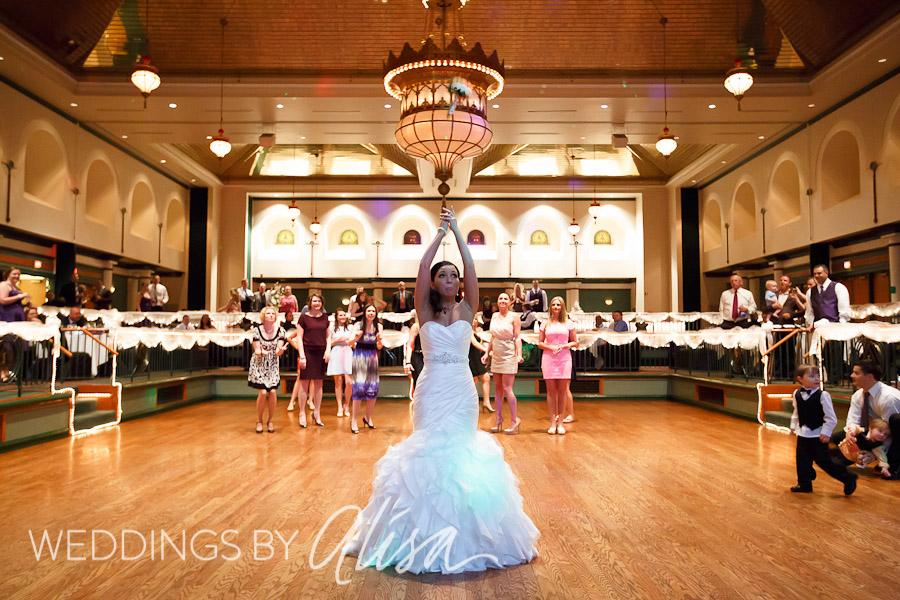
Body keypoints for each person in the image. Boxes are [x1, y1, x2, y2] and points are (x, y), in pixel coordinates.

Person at [343, 206, 539, 573]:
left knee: (460, 451)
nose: (450, 279)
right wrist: (438, 235)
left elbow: (473, 270)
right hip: (432, 386)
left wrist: (459, 233)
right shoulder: (425, 312)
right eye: (443, 276)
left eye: (454, 275)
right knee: (428, 451)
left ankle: (466, 533)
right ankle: (418, 534)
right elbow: (420, 269)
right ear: (434, 284)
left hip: (462, 390)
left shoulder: (468, 310)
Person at [789, 364, 857, 495]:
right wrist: (793, 426)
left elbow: (831, 418)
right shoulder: (796, 394)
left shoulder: (823, 395)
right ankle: (804, 483)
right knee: (802, 460)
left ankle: (847, 477)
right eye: (811, 376)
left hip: (817, 435)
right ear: (800, 379)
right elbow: (796, 412)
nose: (816, 378)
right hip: (803, 434)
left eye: (818, 375)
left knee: (825, 461)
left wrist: (826, 432)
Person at [830, 361, 900, 479]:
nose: (851, 376)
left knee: (894, 422)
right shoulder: (858, 395)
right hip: (874, 432)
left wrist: (879, 456)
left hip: (890, 434)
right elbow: (853, 421)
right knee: (837, 438)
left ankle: (895, 464)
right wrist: (850, 436)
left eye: (856, 373)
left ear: (869, 377)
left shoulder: (888, 398)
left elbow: (889, 432)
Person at [287, 294, 330, 427]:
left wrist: (328, 350)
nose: (316, 303)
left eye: (318, 301)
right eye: (314, 301)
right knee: (304, 383)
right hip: (307, 351)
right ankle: (301, 413)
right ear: (310, 303)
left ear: (322, 303)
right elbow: (299, 337)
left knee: (318, 383)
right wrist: (302, 355)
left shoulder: (325, 317)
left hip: (320, 352)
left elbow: (328, 336)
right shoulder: (304, 317)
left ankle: (316, 413)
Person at [484, 291, 523, 434]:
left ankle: (514, 420)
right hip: (497, 354)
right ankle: (498, 419)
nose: (503, 301)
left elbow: (518, 337)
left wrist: (519, 354)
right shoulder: (494, 316)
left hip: (508, 353)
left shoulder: (514, 317)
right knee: (498, 389)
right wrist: (487, 353)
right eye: (500, 298)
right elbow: (492, 337)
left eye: (505, 299)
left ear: (509, 302)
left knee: (507, 389)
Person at [538, 297, 578, 435]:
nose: (556, 307)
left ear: (562, 307)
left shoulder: (568, 323)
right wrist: (550, 347)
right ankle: (552, 422)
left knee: (562, 391)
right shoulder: (545, 323)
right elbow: (540, 343)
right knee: (550, 392)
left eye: (558, 305)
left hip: (564, 358)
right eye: (553, 304)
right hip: (549, 358)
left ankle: (561, 423)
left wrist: (565, 345)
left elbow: (575, 342)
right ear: (550, 307)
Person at [248, 306, 287, 433]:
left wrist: (280, 351)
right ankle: (259, 420)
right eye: (268, 313)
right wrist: (261, 352)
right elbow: (257, 350)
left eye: (272, 313)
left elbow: (278, 351)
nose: (270, 315)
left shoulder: (280, 331)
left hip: (272, 365)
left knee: (273, 392)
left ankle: (270, 420)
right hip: (259, 364)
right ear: (263, 316)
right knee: (263, 393)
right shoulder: (256, 330)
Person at [350, 304, 383, 433]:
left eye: (373, 311)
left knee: (372, 388)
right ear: (364, 312)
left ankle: (368, 417)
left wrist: (380, 341)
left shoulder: (378, 326)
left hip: (373, 358)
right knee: (358, 388)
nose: (371, 313)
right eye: (369, 311)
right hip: (359, 357)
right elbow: (349, 343)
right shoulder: (357, 325)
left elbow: (380, 346)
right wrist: (356, 338)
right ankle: (353, 420)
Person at [1, 268, 29, 382]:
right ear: (8, 274)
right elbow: (2, 300)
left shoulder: (17, 288)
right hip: (7, 319)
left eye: (18, 274)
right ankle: (3, 373)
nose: (17, 276)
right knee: (7, 347)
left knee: (16, 348)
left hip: (17, 320)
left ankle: (10, 372)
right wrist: (19, 297)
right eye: (14, 273)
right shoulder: (4, 285)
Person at [326, 308, 354, 417]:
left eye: (344, 315)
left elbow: (354, 341)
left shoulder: (351, 327)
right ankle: (339, 406)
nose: (342, 317)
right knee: (338, 381)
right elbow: (329, 343)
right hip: (336, 352)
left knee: (349, 382)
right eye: (340, 315)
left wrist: (349, 340)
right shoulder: (332, 328)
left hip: (347, 351)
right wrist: (337, 340)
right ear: (337, 317)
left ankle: (347, 405)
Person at [469, 318, 494, 413]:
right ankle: (471, 404)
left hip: (475, 358)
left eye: (475, 319)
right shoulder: (468, 330)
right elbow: (474, 343)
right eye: (473, 319)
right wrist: (487, 351)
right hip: (472, 358)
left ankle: (485, 402)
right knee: (475, 381)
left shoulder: (474, 331)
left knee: (484, 378)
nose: (474, 321)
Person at [403, 312, 424, 399]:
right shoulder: (416, 327)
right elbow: (410, 345)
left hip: (431, 357)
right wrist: (408, 362)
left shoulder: (435, 325)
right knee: (419, 383)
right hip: (418, 357)